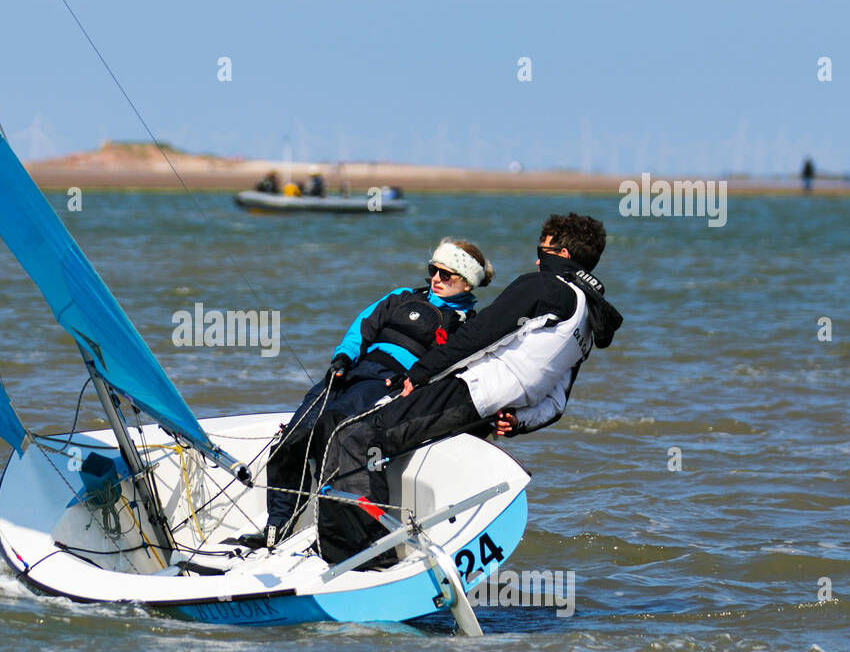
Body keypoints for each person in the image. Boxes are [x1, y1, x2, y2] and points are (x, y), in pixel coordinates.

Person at [314, 213, 623, 564]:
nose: (538, 259)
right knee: (386, 442)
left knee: (353, 436)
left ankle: (360, 559)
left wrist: (418, 374)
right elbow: (557, 402)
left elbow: (479, 335)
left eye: (543, 250)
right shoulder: (586, 320)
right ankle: (399, 539)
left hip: (468, 393)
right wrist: (520, 422)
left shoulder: (545, 287)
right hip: (488, 414)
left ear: (563, 254)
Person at [242, 239, 495, 548]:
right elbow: (362, 325)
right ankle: (277, 526)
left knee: (334, 433)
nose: (436, 280)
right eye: (433, 270)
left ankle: (332, 536)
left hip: (389, 385)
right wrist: (343, 357)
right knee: (294, 435)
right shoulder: (402, 297)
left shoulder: (469, 325)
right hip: (353, 372)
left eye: (447, 275)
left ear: (468, 284)